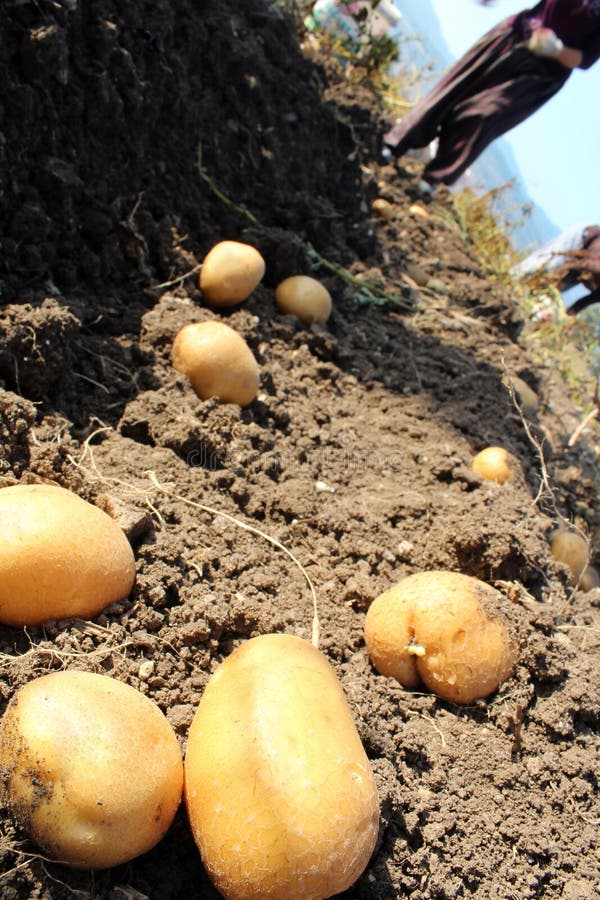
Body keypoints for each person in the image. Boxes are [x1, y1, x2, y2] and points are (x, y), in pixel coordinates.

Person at [384, 0, 600, 189]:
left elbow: (585, 60)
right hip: (513, 36)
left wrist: (556, 49)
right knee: (454, 89)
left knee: (485, 116)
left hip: (541, 75)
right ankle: (396, 142)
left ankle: (434, 179)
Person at [514, 223, 600, 314]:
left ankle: (522, 304)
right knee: (544, 264)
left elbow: (583, 303)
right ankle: (512, 277)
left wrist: (567, 315)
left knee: (549, 293)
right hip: (581, 239)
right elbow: (576, 265)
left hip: (580, 270)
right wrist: (554, 278)